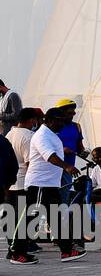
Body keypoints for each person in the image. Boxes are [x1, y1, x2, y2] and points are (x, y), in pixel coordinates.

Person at [24, 104, 86, 263]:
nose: (63, 124)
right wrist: (67, 166)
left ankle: (66, 251)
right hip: (39, 184)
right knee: (30, 219)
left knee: (57, 217)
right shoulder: (42, 135)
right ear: (50, 120)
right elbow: (49, 156)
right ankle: (16, 252)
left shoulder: (52, 134)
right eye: (60, 121)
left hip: (50, 185)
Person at [6, 108, 41, 263]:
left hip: (10, 184)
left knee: (12, 219)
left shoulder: (9, 134)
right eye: (35, 120)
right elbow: (30, 164)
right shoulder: (28, 137)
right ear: (31, 119)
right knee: (24, 220)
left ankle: (12, 249)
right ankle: (19, 252)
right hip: (23, 183)